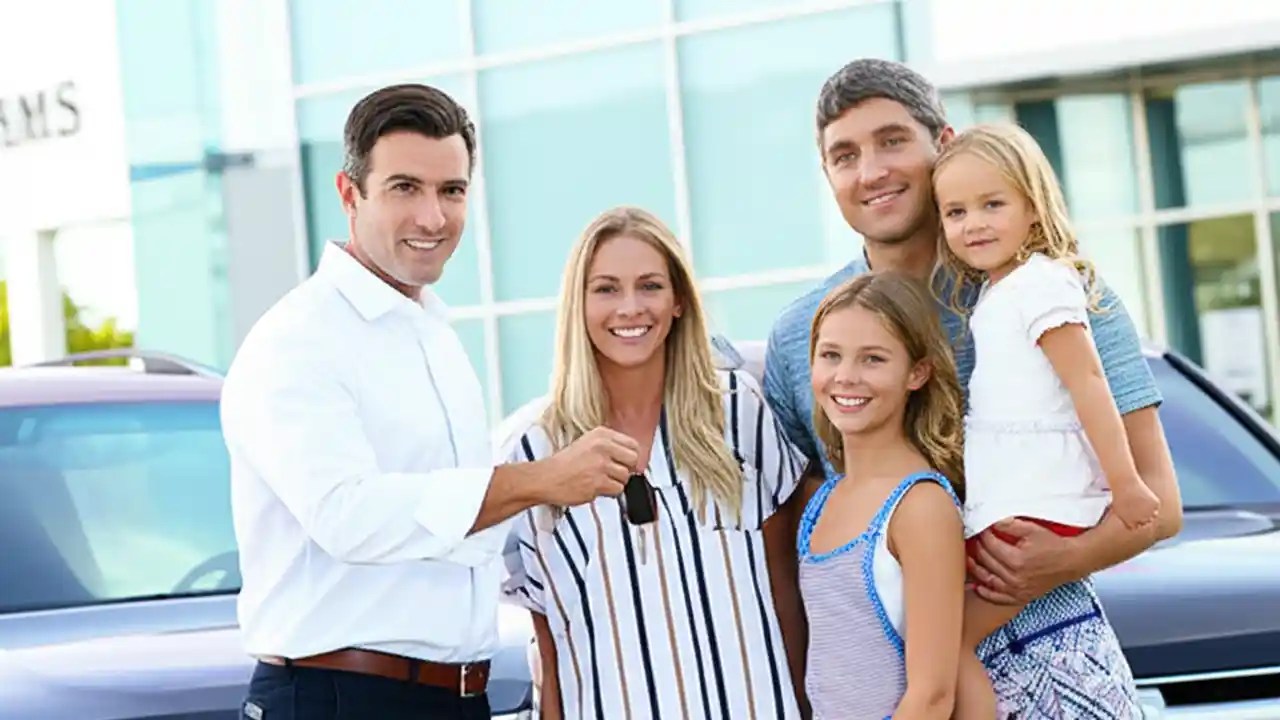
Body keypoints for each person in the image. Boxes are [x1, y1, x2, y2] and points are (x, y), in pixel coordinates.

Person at [762, 59, 1183, 718]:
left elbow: (1161, 502)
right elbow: (802, 549)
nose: (871, 170)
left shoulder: (1064, 293)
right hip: (893, 681)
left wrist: (1062, 558)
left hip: (1051, 652)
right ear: (829, 177)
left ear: (945, 144)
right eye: (845, 155)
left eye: (893, 141)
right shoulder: (802, 340)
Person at [220, 84, 639, 720]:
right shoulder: (297, 340)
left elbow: (460, 533)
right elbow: (346, 515)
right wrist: (541, 480)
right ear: (348, 194)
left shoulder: (435, 338)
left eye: (452, 190)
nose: (434, 219)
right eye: (404, 188)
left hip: (456, 696)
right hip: (340, 700)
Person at [501, 206, 807, 720]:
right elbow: (551, 647)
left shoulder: (739, 412)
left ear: (679, 300)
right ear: (577, 305)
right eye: (605, 289)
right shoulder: (537, 454)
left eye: (649, 286)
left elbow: (787, 591)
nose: (629, 307)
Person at [933, 123, 1162, 718]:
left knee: (948, 638)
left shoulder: (1043, 283)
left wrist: (1128, 484)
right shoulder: (996, 292)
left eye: (992, 204)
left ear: (1033, 207)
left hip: (1041, 512)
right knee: (939, 624)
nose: (973, 223)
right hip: (1013, 505)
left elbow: (1089, 386)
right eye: (955, 211)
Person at [798, 271, 966, 719]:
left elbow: (932, 696)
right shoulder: (824, 502)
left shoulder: (920, 506)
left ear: (917, 372)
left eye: (872, 359)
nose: (846, 377)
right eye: (830, 355)